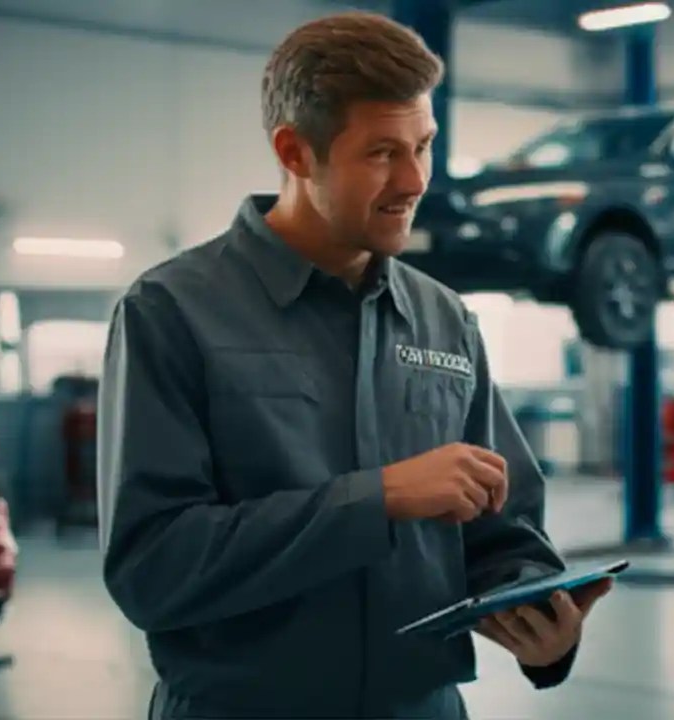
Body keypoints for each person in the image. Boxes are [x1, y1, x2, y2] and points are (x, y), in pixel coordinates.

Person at [96, 12, 610, 719]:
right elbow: (155, 567)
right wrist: (381, 498)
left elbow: (502, 529)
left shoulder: (444, 320)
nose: (415, 180)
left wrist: (543, 622)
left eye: (424, 146)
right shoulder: (172, 313)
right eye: (381, 154)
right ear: (296, 152)